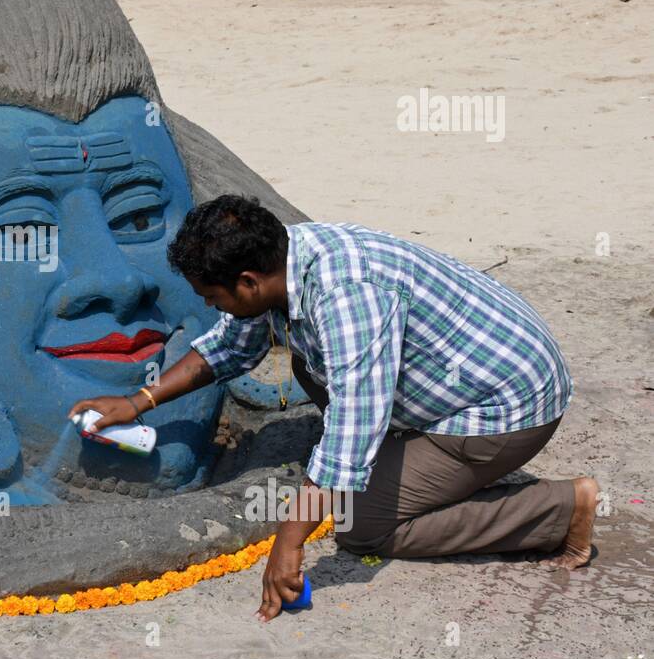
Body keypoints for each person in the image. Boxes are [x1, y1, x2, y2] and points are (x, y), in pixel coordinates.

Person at [68, 195, 599, 622]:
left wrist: (289, 544)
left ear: (248, 282)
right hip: (463, 373)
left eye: (214, 298)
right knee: (309, 365)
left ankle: (558, 510)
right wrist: (137, 400)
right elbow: (229, 348)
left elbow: (350, 430)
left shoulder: (345, 294)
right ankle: (414, 467)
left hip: (505, 406)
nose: (213, 308)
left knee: (361, 526)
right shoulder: (285, 260)